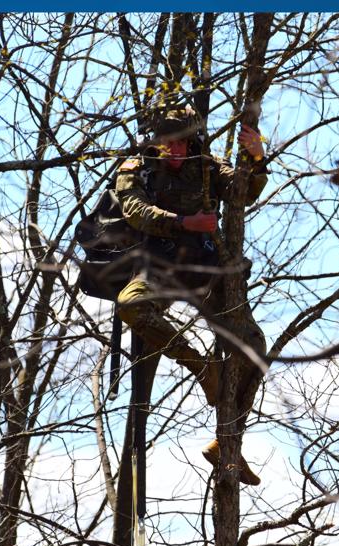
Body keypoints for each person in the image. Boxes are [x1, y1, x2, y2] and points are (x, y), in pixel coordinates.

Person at [114, 105, 267, 485]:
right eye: (169, 142)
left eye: (183, 141)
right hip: (161, 266)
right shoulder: (137, 167)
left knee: (254, 345)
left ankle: (226, 442)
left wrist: (257, 156)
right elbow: (134, 210)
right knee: (130, 305)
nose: (177, 148)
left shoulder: (206, 166)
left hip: (204, 267)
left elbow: (241, 192)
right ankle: (204, 369)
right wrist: (182, 222)